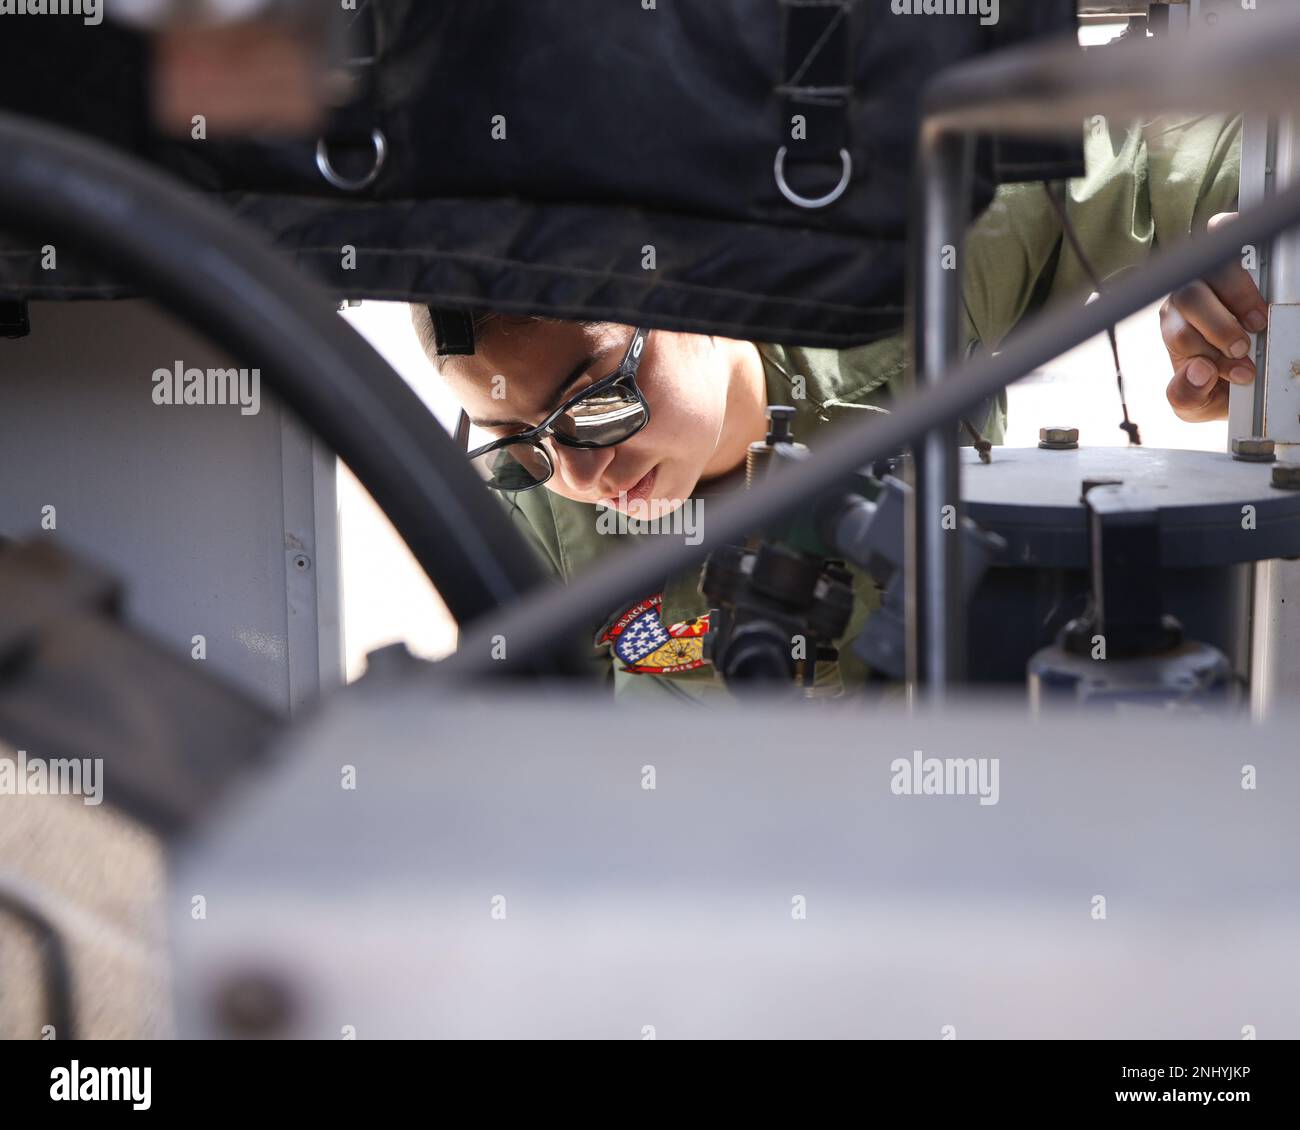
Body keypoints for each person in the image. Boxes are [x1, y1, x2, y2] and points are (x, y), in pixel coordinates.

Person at [413, 113, 1245, 699]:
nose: (581, 475)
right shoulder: (526, 517)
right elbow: (540, 758)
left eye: (594, 405)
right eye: (521, 445)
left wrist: (1245, 264)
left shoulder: (903, 286)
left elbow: (1159, 160)